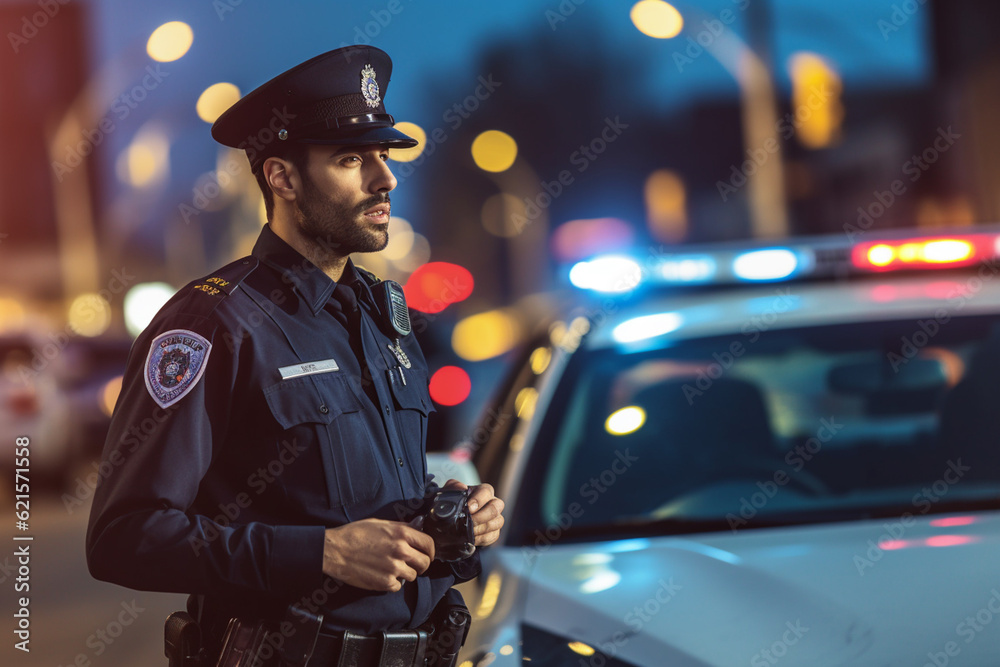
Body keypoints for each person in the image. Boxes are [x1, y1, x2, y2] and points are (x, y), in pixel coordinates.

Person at [86, 45, 504, 666]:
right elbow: (124, 537)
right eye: (349, 160)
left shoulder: (383, 316)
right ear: (282, 177)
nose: (384, 178)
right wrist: (321, 554)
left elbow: (369, 502)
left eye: (384, 157)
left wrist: (454, 521)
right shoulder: (214, 324)